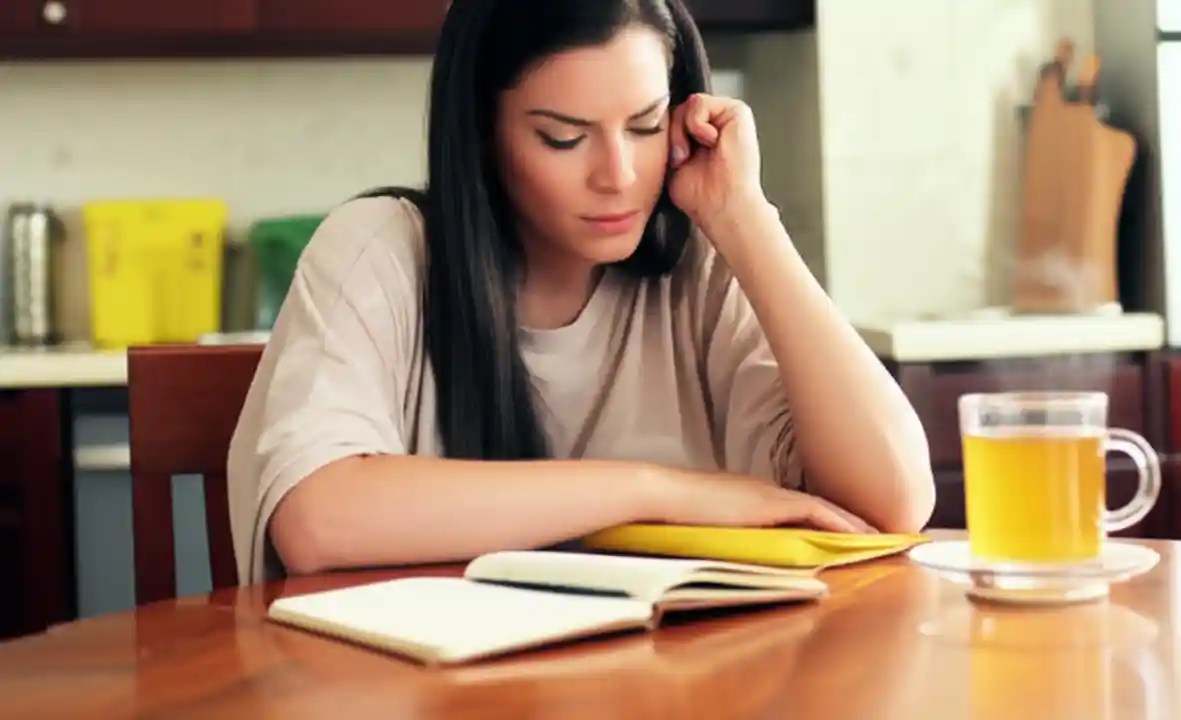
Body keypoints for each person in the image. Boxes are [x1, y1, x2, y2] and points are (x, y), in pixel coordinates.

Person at [227, 0, 935, 584]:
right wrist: (658, 491)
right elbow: (317, 519)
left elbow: (895, 499)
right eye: (564, 138)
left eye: (646, 126)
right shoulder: (380, 250)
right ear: (483, 135)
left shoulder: (703, 272)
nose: (619, 175)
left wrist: (744, 217)